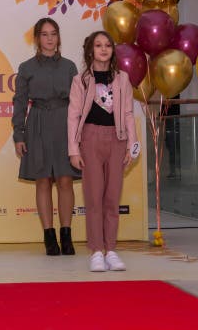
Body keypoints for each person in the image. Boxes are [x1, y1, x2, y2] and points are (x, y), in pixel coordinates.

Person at [67, 30, 137, 272]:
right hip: (90, 139)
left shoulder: (122, 79)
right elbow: (73, 116)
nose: (104, 49)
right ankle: (97, 250)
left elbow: (128, 113)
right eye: (98, 45)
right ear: (90, 51)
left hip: (117, 139)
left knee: (112, 197)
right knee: (94, 196)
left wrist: (132, 145)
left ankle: (111, 250)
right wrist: (73, 149)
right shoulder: (81, 80)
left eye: (108, 45)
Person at [12, 17, 79, 256]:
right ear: (37, 39)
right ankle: (49, 237)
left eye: (53, 34)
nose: (50, 39)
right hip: (37, 124)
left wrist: (79, 134)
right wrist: (18, 134)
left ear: (58, 37)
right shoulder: (26, 68)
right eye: (44, 34)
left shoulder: (70, 67)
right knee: (43, 180)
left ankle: (66, 235)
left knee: (65, 180)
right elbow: (20, 102)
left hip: (64, 123)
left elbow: (78, 103)